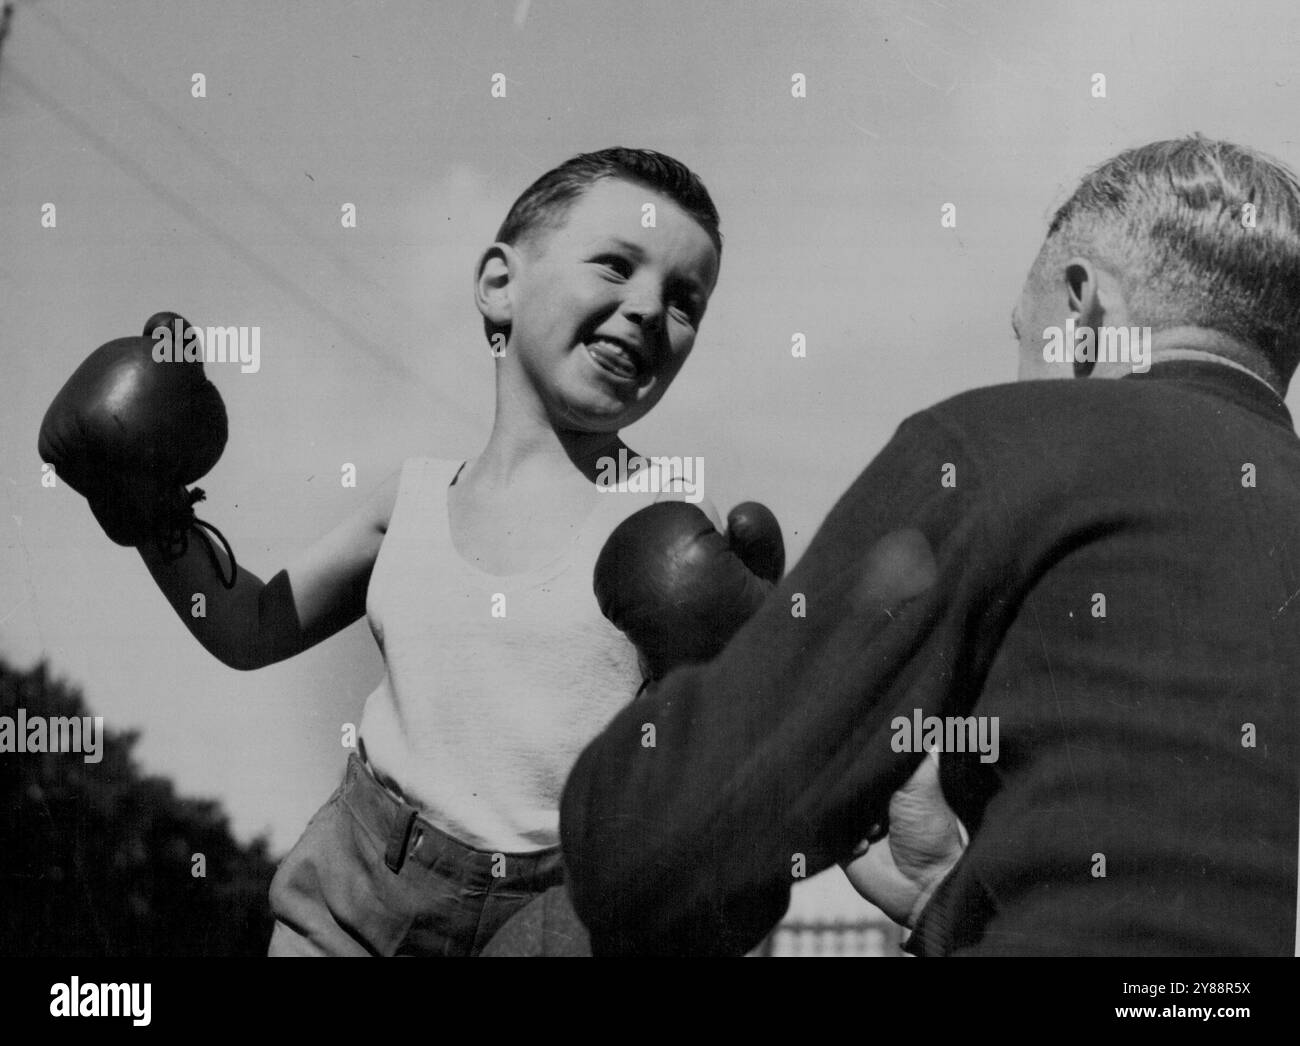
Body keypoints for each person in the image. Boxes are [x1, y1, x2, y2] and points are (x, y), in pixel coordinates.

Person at [560, 135, 1300, 956]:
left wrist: (699, 662)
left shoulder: (1002, 446)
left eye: (1027, 333)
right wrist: (942, 894)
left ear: (1084, 313)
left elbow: (647, 862)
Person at [41, 147, 780, 956]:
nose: (646, 308)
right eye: (615, 266)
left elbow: (703, 766)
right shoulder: (414, 500)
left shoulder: (671, 523)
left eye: (684, 302)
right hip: (359, 887)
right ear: (500, 285)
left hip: (555, 917)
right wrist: (149, 511)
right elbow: (249, 626)